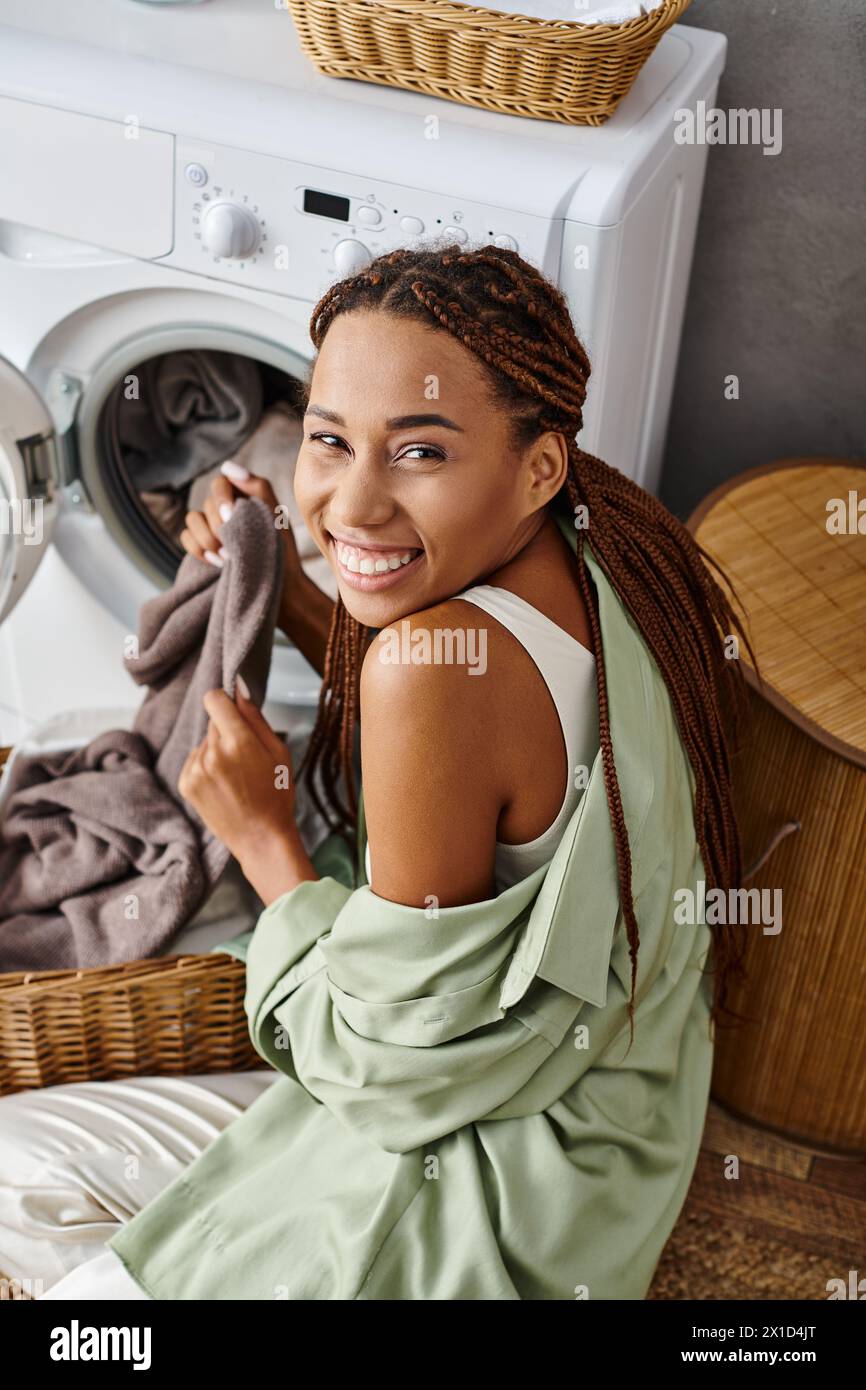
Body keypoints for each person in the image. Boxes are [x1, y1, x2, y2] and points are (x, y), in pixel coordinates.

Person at [30, 242, 750, 1301]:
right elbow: (482, 730)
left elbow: (384, 1074)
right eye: (328, 440)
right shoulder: (607, 544)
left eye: (417, 452)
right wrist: (283, 580)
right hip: (634, 1114)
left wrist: (264, 835)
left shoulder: (429, 668)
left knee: (23, 1182)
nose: (351, 508)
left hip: (504, 1183)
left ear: (535, 464)